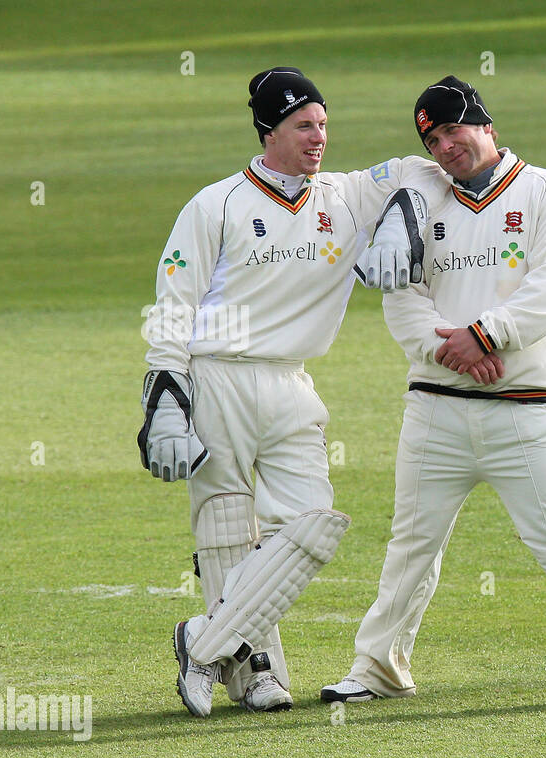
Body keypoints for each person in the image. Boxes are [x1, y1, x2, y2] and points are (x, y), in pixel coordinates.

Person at [318, 75, 546, 708]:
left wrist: (487, 336)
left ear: (486, 125)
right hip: (435, 407)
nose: (447, 146)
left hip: (525, 409)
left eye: (455, 129)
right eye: (434, 137)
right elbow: (402, 294)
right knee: (411, 546)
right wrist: (448, 347)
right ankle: (377, 669)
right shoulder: (421, 203)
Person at [139, 66, 426, 717]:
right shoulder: (216, 204)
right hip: (217, 377)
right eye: (304, 125)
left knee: (308, 527)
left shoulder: (347, 197)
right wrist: (164, 403)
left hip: (293, 381)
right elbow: (173, 308)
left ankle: (201, 641)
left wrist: (400, 224)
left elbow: (417, 170)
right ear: (269, 129)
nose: (319, 137)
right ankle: (257, 670)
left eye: (324, 123)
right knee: (226, 533)